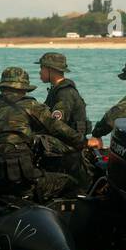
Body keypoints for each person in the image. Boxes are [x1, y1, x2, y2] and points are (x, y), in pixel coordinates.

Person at [0, 66, 85, 201]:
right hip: (21, 182)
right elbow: (59, 130)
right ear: (23, 89)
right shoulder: (31, 106)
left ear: (1, 88)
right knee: (71, 182)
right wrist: (83, 142)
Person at [37, 52, 91, 193]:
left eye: (42, 68)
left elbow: (55, 125)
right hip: (71, 148)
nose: (39, 72)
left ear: (50, 70)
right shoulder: (58, 90)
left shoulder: (64, 94)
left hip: (69, 151)